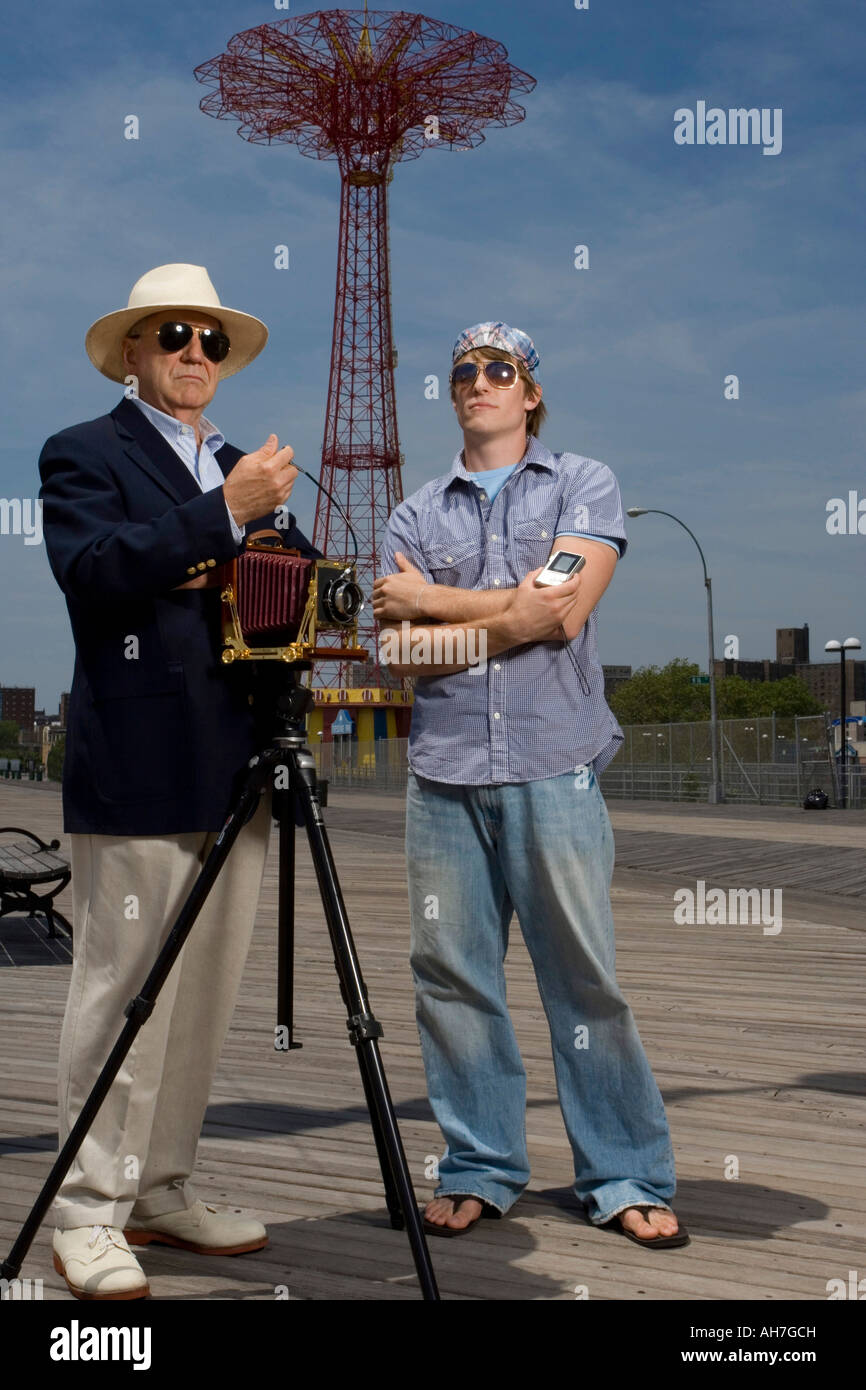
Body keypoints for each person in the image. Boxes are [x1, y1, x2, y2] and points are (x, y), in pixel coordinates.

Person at [373, 321, 688, 1248]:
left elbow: (562, 613)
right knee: (452, 978)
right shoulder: (413, 514)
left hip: (556, 764)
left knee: (584, 980)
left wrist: (435, 601)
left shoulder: (584, 483)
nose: (479, 381)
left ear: (530, 391)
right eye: (464, 371)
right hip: (445, 775)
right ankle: (479, 1166)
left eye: (498, 369)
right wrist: (503, 612)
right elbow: (395, 653)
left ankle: (624, 1170)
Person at [39, 263, 319, 1298]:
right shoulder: (83, 453)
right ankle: (87, 1209)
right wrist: (220, 521)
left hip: (237, 763)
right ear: (131, 352)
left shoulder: (251, 468)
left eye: (210, 339)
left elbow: (287, 587)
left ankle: (159, 1185)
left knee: (203, 994)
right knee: (120, 994)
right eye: (173, 336)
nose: (195, 353)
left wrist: (246, 553)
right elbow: (98, 572)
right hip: (138, 763)